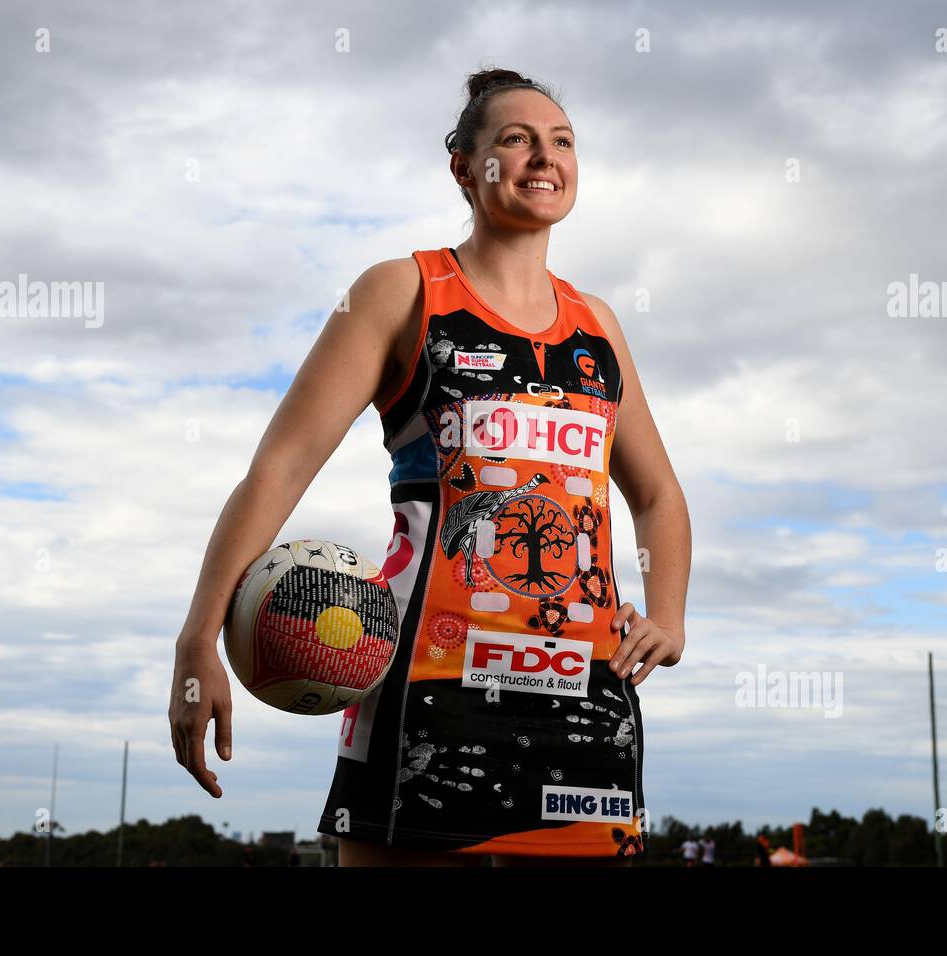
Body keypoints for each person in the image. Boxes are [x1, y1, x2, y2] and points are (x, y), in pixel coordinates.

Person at [168, 66, 690, 866]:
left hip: (588, 700)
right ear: (464, 167)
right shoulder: (402, 292)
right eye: (515, 140)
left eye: (561, 142)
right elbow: (279, 468)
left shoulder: (599, 328)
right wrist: (198, 638)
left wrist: (670, 617)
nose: (542, 158)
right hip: (427, 688)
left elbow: (657, 495)